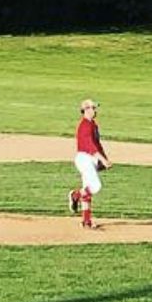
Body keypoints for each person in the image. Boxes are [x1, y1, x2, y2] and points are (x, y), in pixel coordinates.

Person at [67, 98, 111, 230]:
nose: (95, 110)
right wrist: (102, 160)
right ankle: (75, 195)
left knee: (88, 190)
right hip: (85, 158)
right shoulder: (85, 125)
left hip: (90, 159)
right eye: (93, 107)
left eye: (95, 107)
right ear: (86, 110)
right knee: (95, 186)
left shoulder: (93, 125)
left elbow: (97, 144)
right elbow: (90, 146)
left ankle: (86, 221)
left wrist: (103, 159)